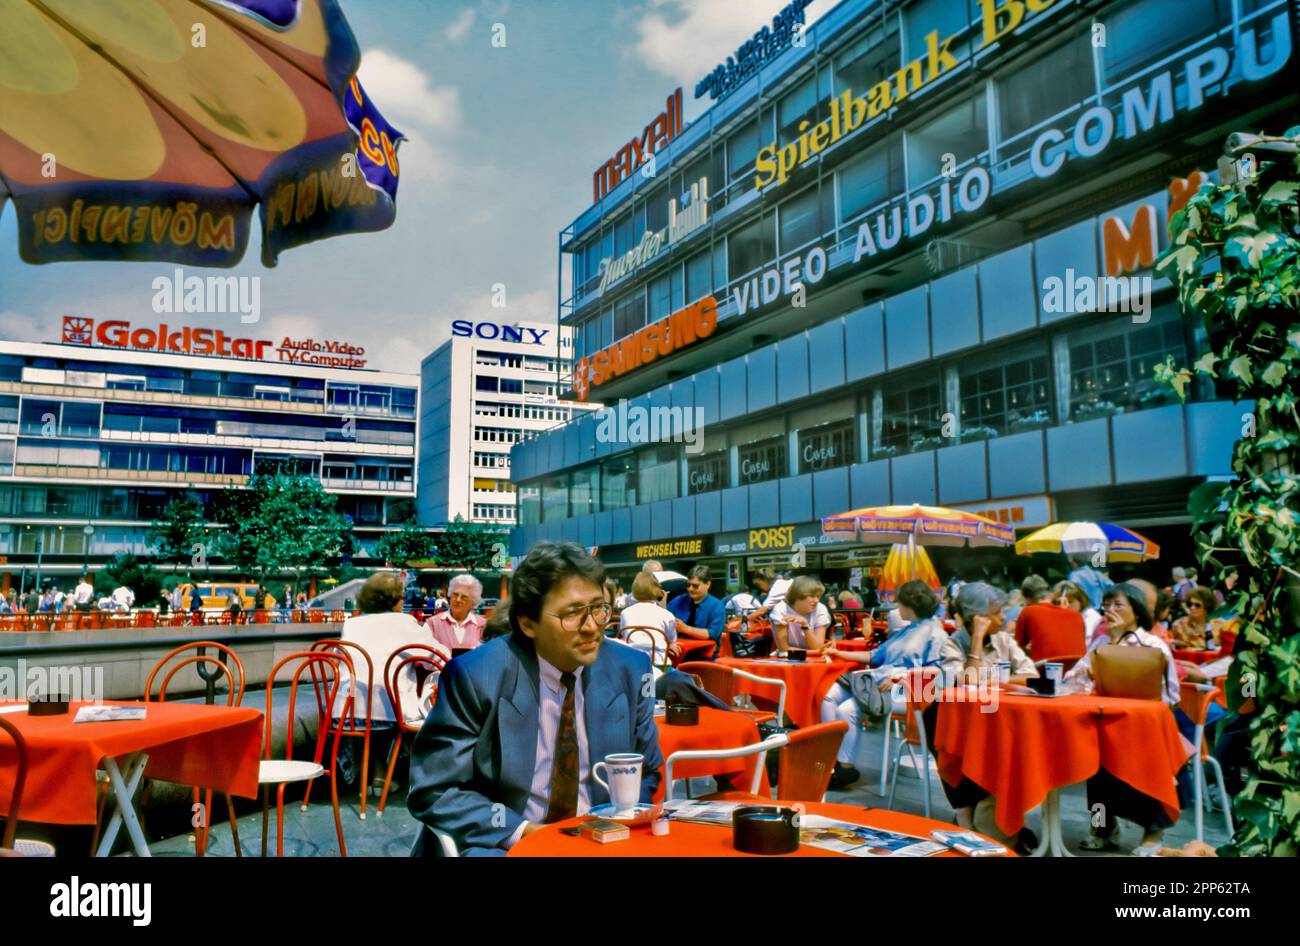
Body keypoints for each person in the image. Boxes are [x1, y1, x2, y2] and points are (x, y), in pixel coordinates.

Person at [407, 541, 663, 856]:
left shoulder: (630, 669)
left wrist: (614, 824)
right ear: (528, 623)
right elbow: (437, 789)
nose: (592, 627)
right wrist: (523, 832)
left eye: (599, 609)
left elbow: (648, 770)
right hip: (507, 842)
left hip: (605, 840)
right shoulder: (477, 676)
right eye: (572, 614)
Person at [1059, 583, 1179, 852]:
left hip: (1145, 728)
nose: (1109, 610)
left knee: (1146, 760)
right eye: (1106, 605)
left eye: (1118, 605)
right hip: (1107, 725)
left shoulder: (1153, 645)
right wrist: (1087, 674)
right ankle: (1103, 827)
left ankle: (1153, 834)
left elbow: (1171, 694)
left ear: (1135, 611)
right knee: (1096, 760)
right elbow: (1072, 681)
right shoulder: (1100, 644)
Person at [821, 580, 946, 789]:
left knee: (847, 710)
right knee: (828, 694)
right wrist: (839, 653)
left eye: (900, 603)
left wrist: (904, 675)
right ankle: (830, 758)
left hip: (906, 691)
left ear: (910, 605)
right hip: (881, 683)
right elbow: (876, 656)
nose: (897, 607)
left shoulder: (936, 633)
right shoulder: (909, 629)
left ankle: (844, 767)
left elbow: (937, 672)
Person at [333, 572, 448, 791]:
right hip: (390, 711)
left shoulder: (353, 624)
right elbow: (436, 659)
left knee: (374, 709)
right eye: (402, 596)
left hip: (347, 710)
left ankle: (375, 774)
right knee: (409, 709)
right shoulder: (404, 622)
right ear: (395, 599)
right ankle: (418, 779)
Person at [939, 582, 1038, 686]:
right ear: (976, 618)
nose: (1003, 617)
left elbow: (1032, 676)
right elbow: (969, 683)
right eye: (996, 613)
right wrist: (977, 638)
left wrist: (995, 682)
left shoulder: (1003, 640)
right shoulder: (951, 645)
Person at [1013, 575, 1085, 661]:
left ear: (1027, 599)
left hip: (1045, 667)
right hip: (1076, 665)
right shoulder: (1076, 614)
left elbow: (1017, 648)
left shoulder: (1028, 611)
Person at [618, 572, 679, 669]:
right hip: (659, 663)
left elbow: (625, 635)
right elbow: (671, 640)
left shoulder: (625, 613)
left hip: (633, 663)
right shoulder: (666, 614)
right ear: (658, 590)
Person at [666, 565, 726, 659]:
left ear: (708, 584)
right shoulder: (677, 601)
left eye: (695, 586)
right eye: (688, 585)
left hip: (705, 656)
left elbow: (713, 634)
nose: (690, 589)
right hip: (678, 654)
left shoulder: (717, 606)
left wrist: (686, 629)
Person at [771, 575, 832, 654]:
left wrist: (805, 625)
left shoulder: (820, 609)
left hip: (813, 657)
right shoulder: (780, 609)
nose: (816, 600)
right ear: (798, 596)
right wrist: (814, 653)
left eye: (818, 596)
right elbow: (784, 648)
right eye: (812, 596)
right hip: (789, 658)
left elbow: (817, 647)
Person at [425, 574, 487, 651]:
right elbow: (424, 656)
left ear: (473, 602)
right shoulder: (432, 624)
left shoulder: (483, 625)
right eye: (455, 595)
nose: (458, 599)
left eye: (464, 597)